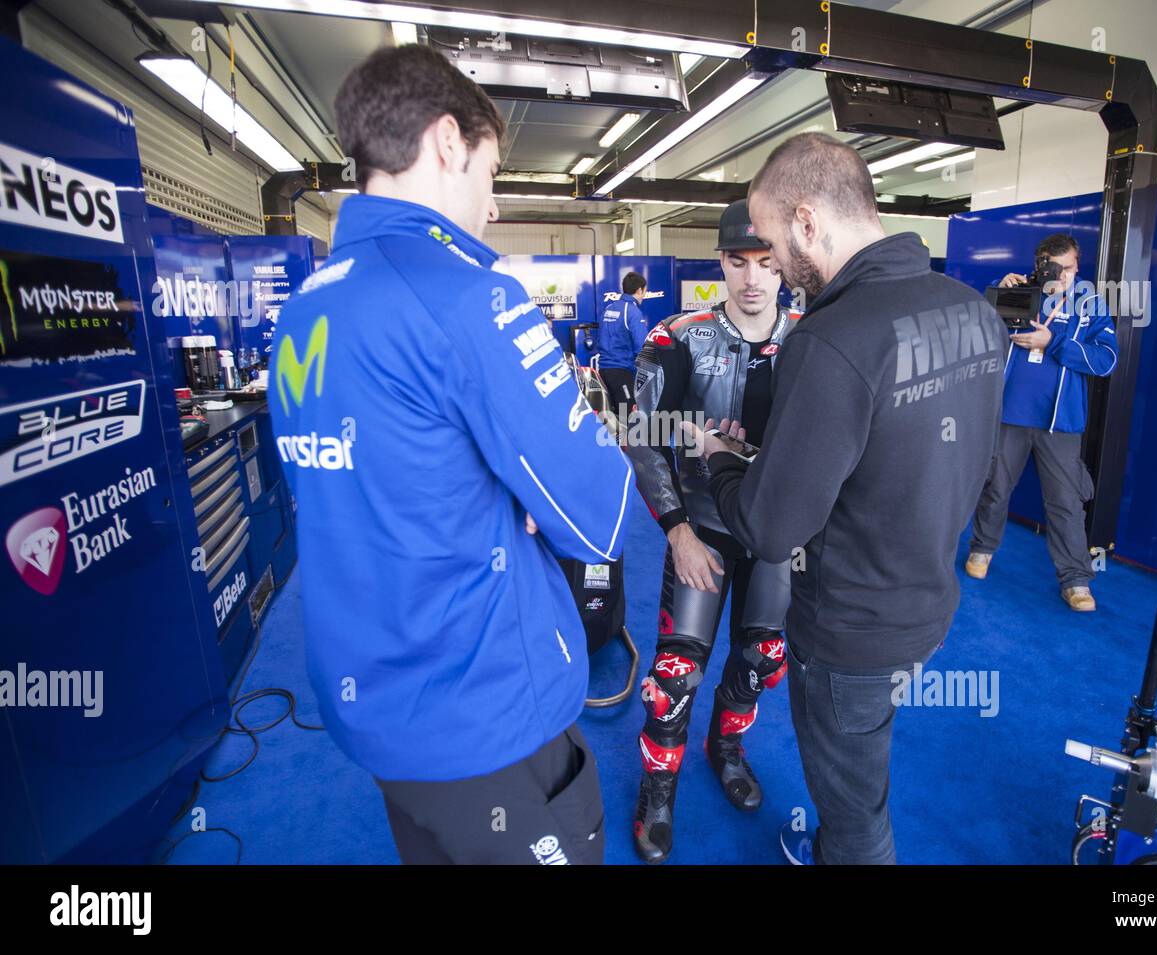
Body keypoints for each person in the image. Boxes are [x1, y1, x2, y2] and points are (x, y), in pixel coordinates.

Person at [269, 44, 632, 865]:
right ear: (445, 143)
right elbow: (601, 507)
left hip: (380, 719)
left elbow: (375, 490)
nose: (494, 205)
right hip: (486, 717)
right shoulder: (471, 295)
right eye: (491, 171)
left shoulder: (304, 310)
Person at [690, 132, 1006, 865]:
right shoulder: (972, 310)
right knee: (863, 755)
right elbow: (959, 460)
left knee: (855, 808)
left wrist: (723, 459)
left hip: (849, 632)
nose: (772, 268)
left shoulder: (831, 340)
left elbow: (771, 528)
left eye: (771, 243)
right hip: (928, 604)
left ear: (807, 221)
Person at [624, 200, 799, 864]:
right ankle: (658, 789)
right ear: (720, 262)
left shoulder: (813, 338)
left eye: (765, 261)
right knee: (675, 672)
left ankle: (725, 747)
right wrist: (676, 532)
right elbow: (641, 435)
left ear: (784, 262)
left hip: (776, 535)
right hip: (701, 526)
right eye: (737, 261)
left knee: (762, 659)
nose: (752, 278)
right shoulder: (677, 335)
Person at [964, 233, 1117, 611]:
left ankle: (1076, 580)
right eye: (1059, 268)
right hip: (1010, 415)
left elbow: (1107, 359)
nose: (1068, 274)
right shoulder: (1021, 292)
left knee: (1065, 501)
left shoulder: (1092, 303)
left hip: (1060, 422)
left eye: (1072, 266)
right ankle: (982, 550)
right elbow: (977, 335)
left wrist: (1054, 343)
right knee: (995, 488)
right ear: (1041, 265)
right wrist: (996, 295)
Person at [595, 271, 650, 419]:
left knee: (611, 417)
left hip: (604, 370)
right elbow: (642, 346)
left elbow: (601, 339)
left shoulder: (609, 308)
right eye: (645, 291)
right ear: (640, 290)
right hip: (622, 372)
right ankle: (627, 442)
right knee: (629, 417)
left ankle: (616, 442)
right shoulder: (632, 311)